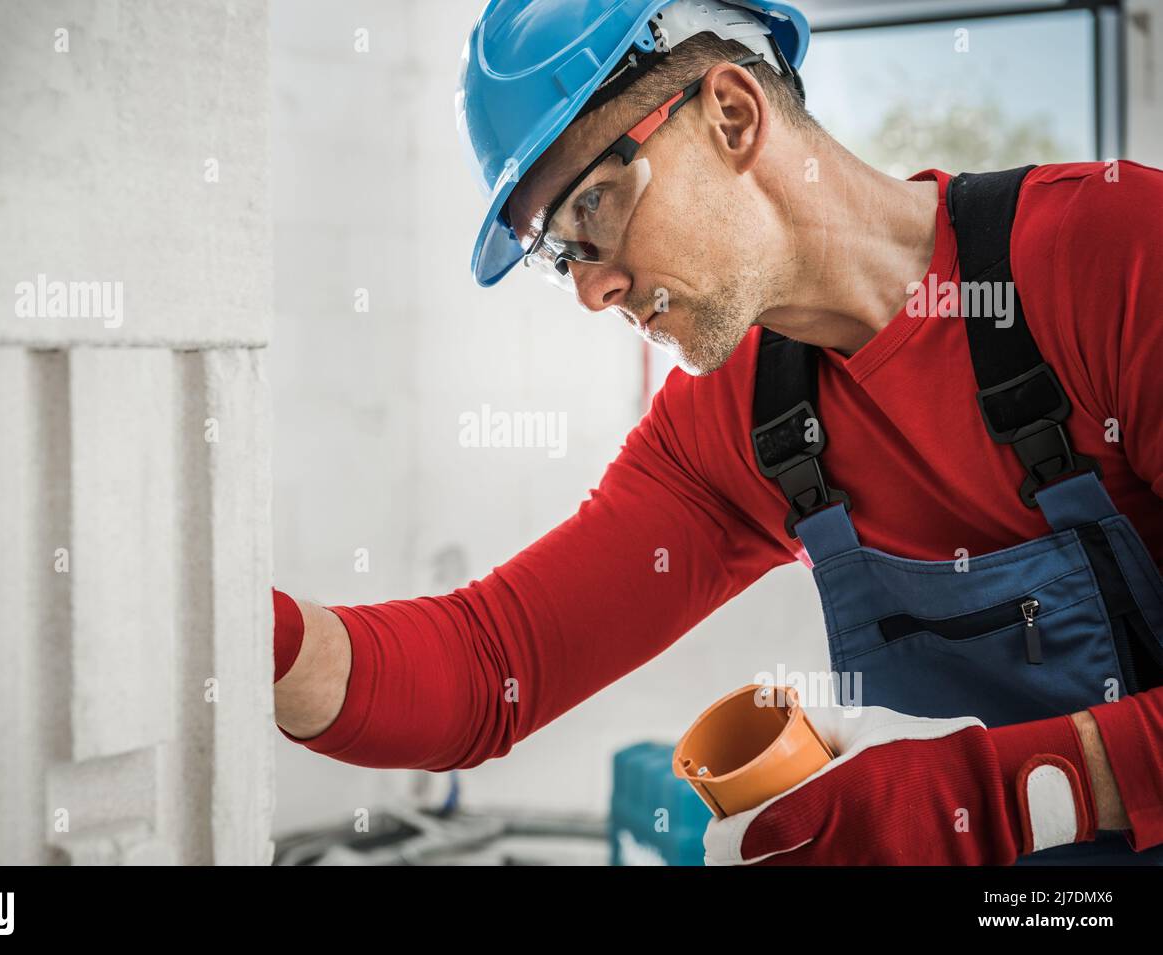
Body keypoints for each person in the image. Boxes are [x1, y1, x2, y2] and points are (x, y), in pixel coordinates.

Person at [273, 0, 1163, 865]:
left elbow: (968, 807)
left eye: (593, 207)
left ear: (732, 115)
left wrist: (995, 798)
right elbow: (485, 669)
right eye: (562, 256)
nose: (592, 291)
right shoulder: (742, 424)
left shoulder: (1114, 256)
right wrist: (230, 634)